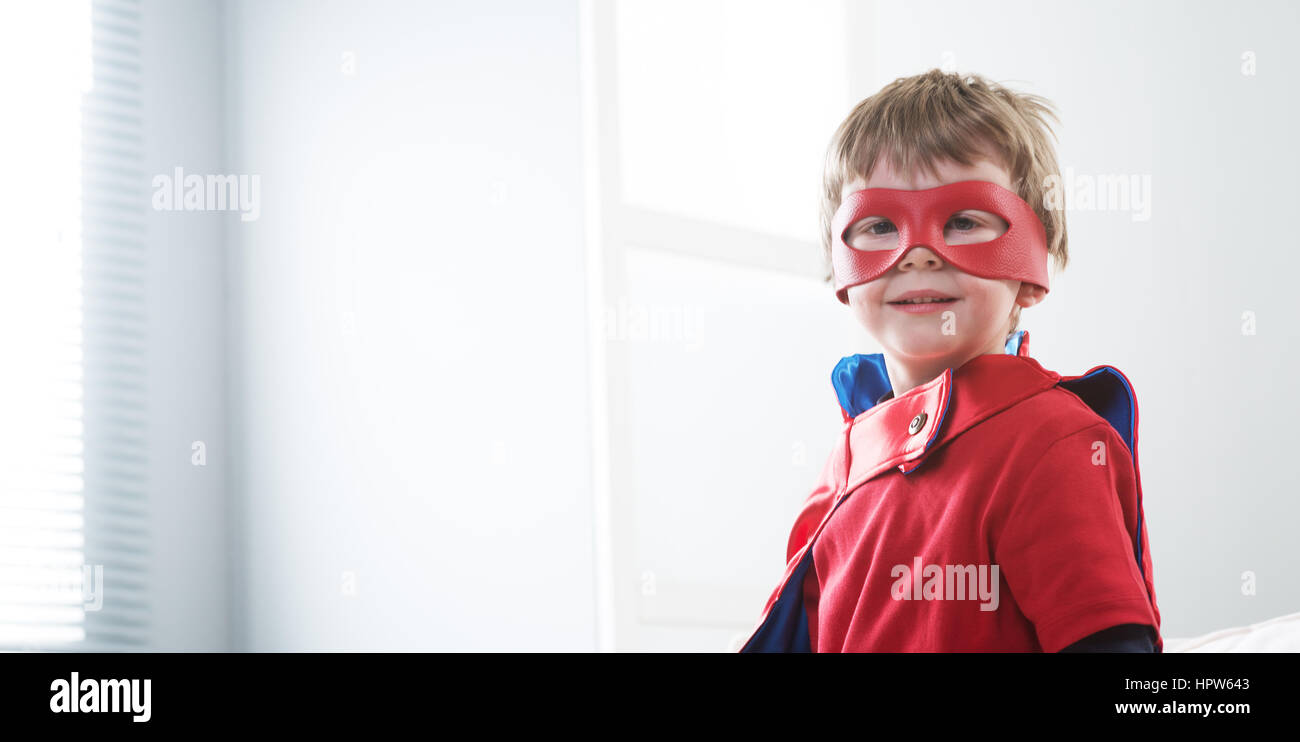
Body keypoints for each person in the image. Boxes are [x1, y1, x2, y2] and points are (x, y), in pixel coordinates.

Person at [739, 69, 1161, 653]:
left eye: (963, 221)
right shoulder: (845, 465)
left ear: (1030, 272)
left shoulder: (1052, 441)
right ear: (841, 269)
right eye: (880, 225)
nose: (916, 255)